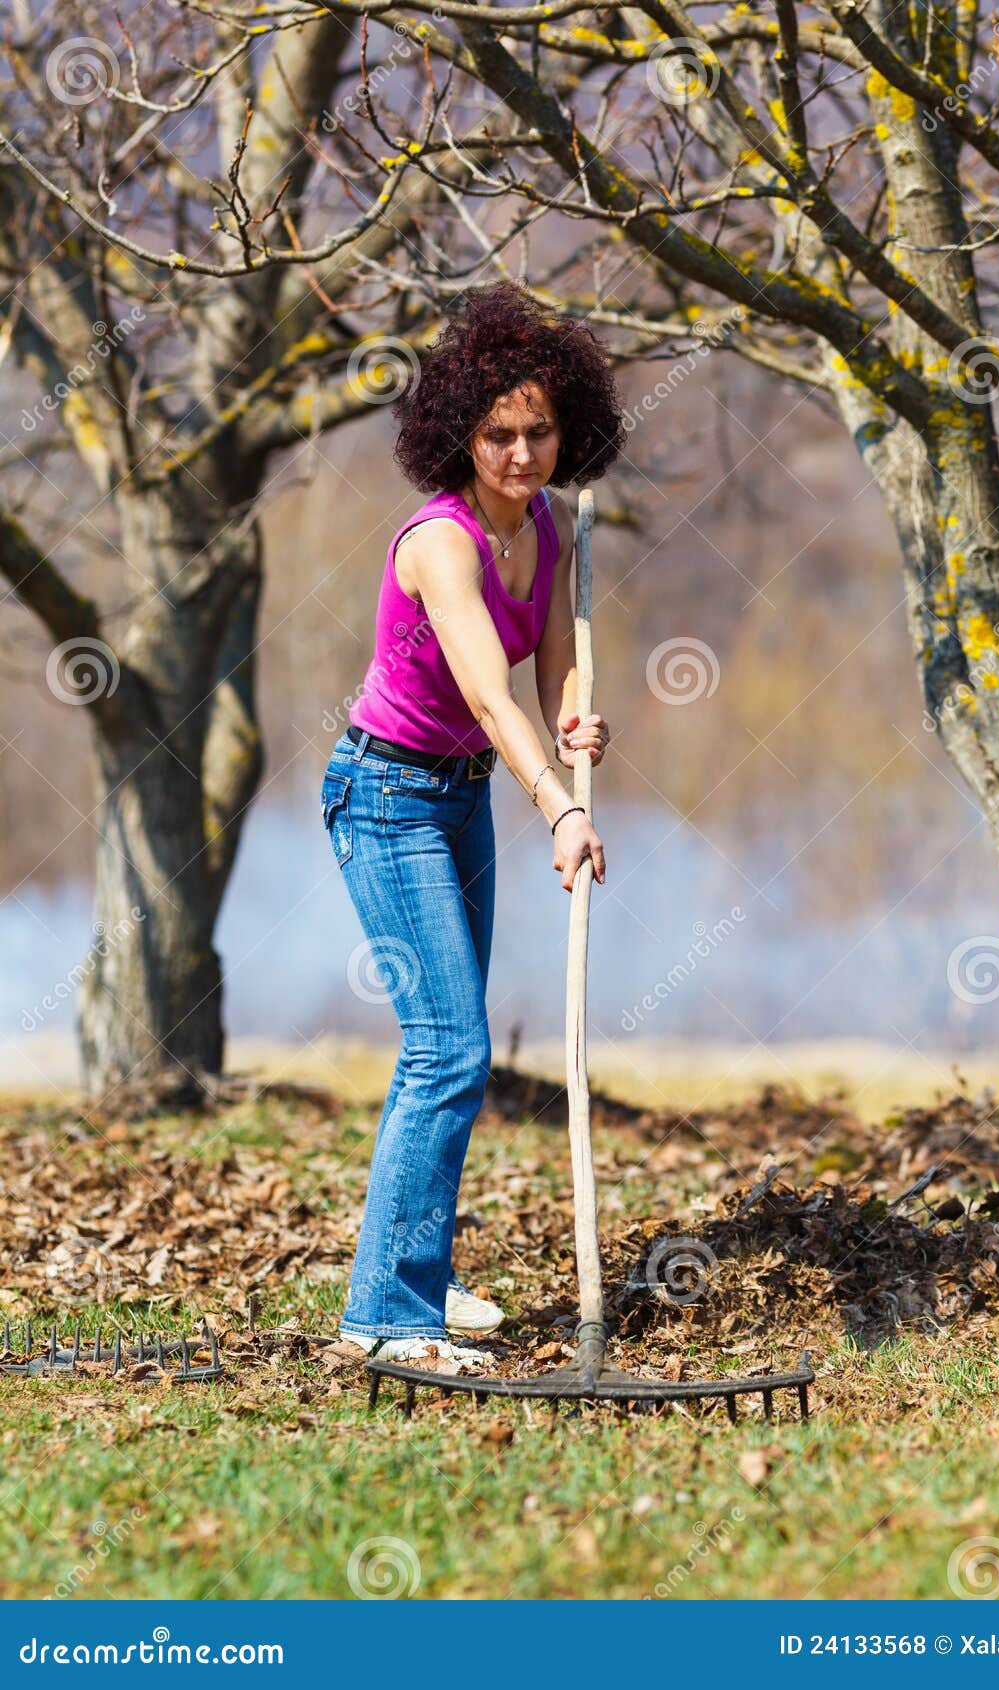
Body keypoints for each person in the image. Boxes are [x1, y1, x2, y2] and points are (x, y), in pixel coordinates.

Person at [320, 281, 623, 1369]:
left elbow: (552, 670)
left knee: (450, 1047)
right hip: (383, 794)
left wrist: (577, 730)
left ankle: (420, 1277)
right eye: (497, 433)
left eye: (539, 430)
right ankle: (384, 1319)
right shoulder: (438, 544)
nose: (519, 453)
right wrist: (556, 810)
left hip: (456, 797)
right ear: (459, 431)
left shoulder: (545, 525)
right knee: (448, 1048)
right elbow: (492, 696)